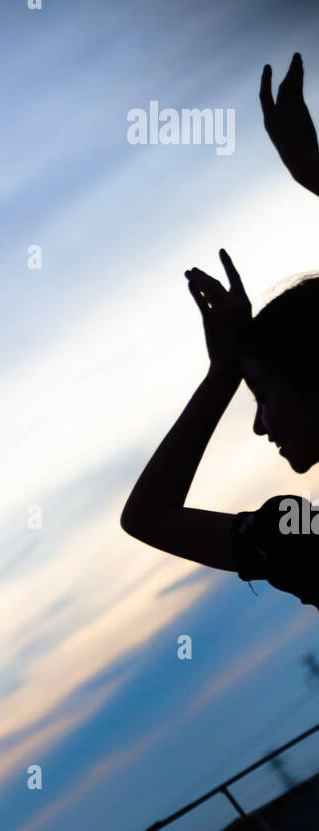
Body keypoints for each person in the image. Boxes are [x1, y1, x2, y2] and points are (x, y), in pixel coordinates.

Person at [121, 54, 319, 611]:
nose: (258, 425)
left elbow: (147, 516)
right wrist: (311, 169)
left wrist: (223, 373)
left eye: (263, 395)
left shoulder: (302, 537)